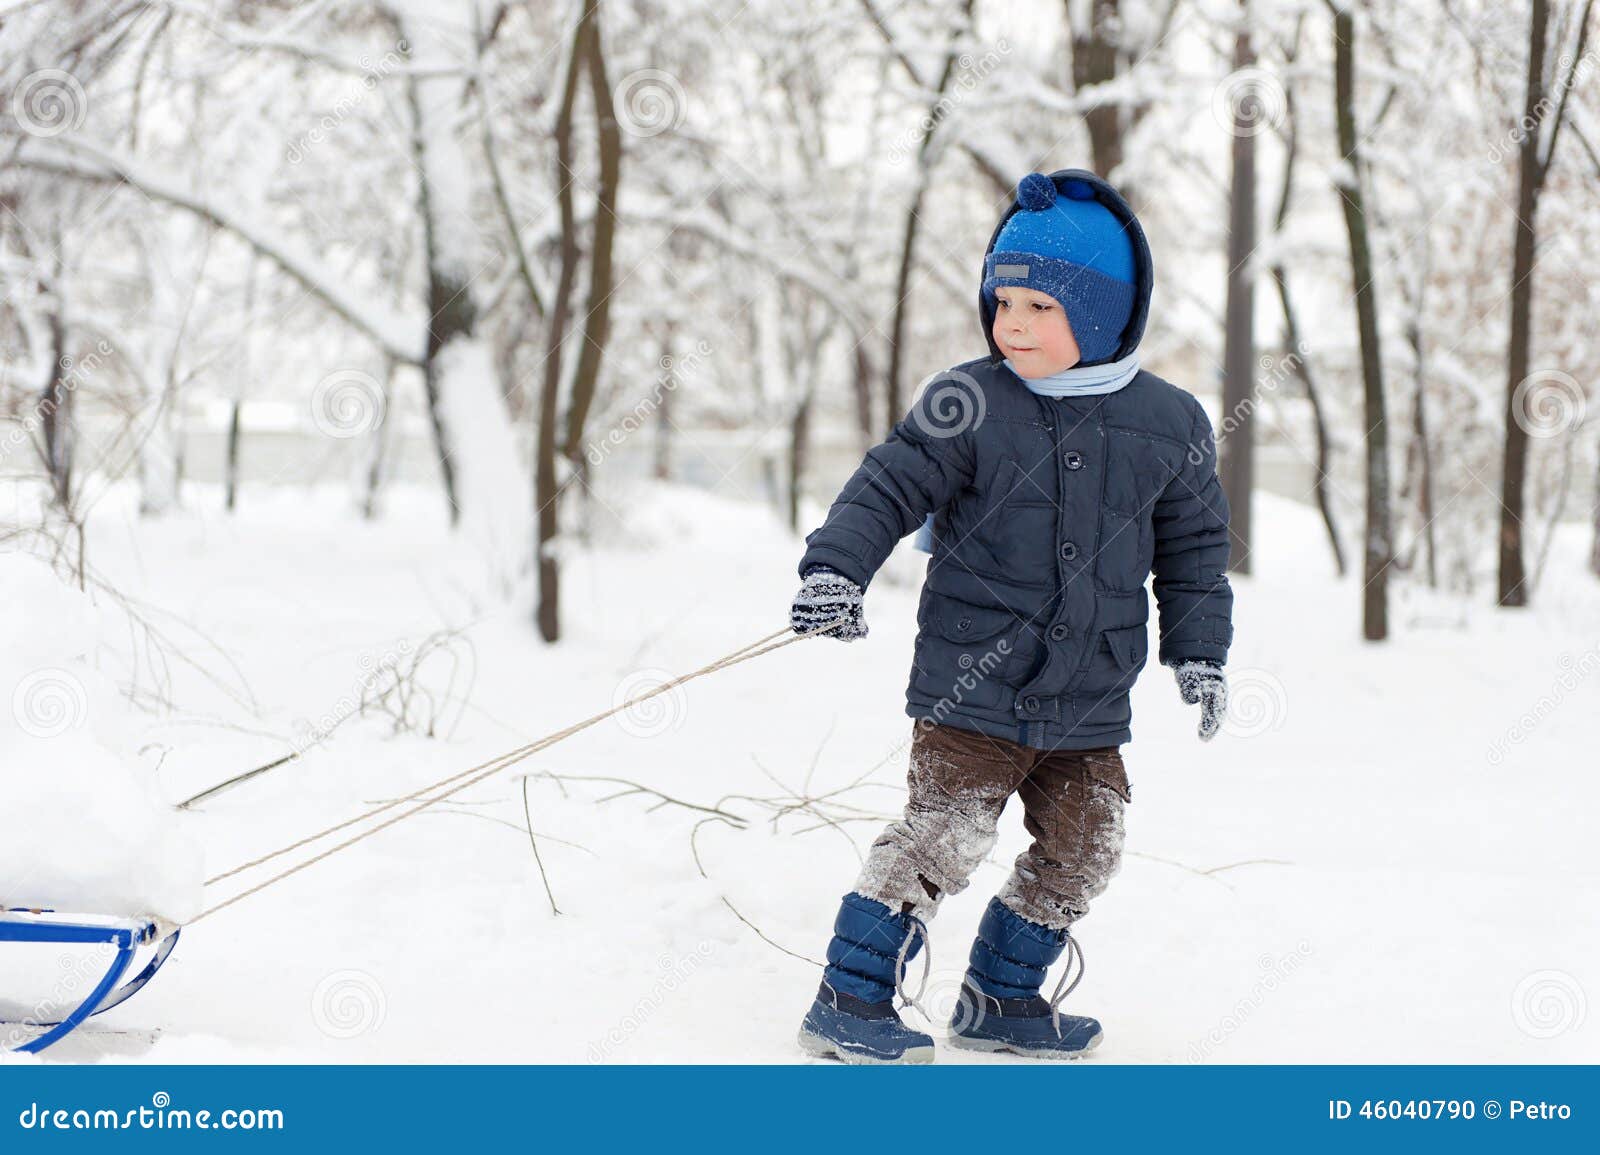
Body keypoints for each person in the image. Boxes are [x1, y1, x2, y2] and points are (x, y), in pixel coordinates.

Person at [788, 170, 1234, 1063]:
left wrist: (1201, 652)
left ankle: (1002, 994)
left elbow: (1194, 554)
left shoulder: (1170, 421)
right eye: (1003, 301)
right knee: (941, 838)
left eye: (1040, 305)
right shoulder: (970, 401)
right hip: (972, 687)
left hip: (1089, 699)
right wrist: (836, 569)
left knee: (1087, 846)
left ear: (1105, 316)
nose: (1013, 325)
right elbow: (889, 485)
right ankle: (851, 994)